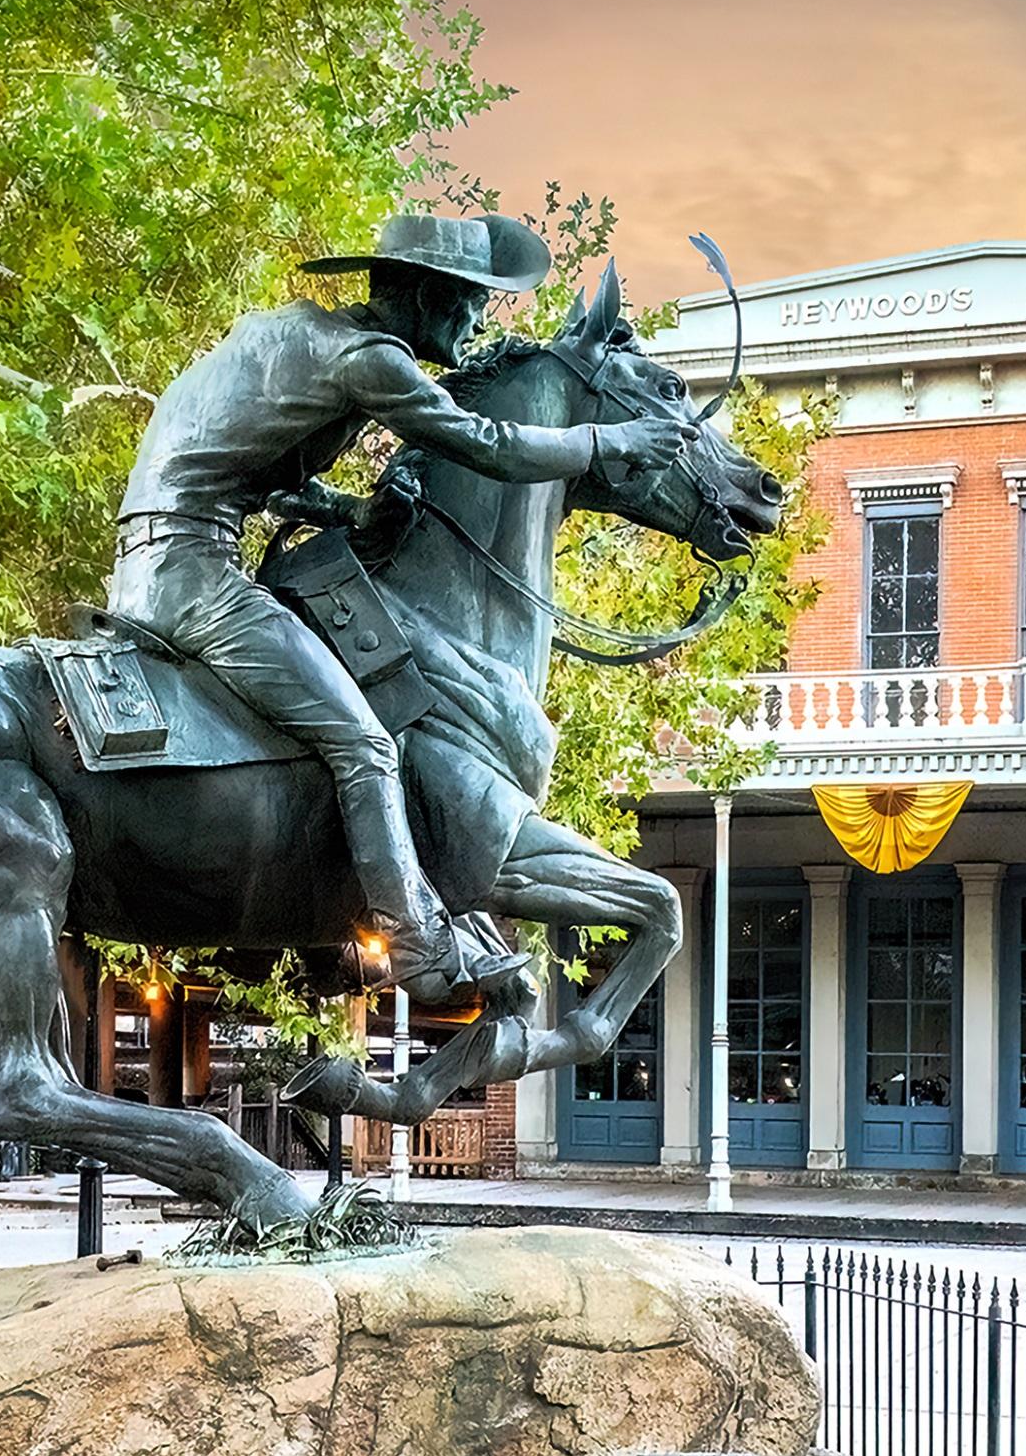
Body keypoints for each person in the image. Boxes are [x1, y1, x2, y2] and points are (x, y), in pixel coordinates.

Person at [108, 213, 692, 1002]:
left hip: (170, 555)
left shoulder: (296, 335)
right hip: (188, 572)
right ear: (424, 296)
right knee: (364, 743)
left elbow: (248, 474)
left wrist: (344, 512)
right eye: (471, 301)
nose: (482, 320)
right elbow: (487, 443)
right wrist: (604, 445)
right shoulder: (367, 357)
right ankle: (415, 943)